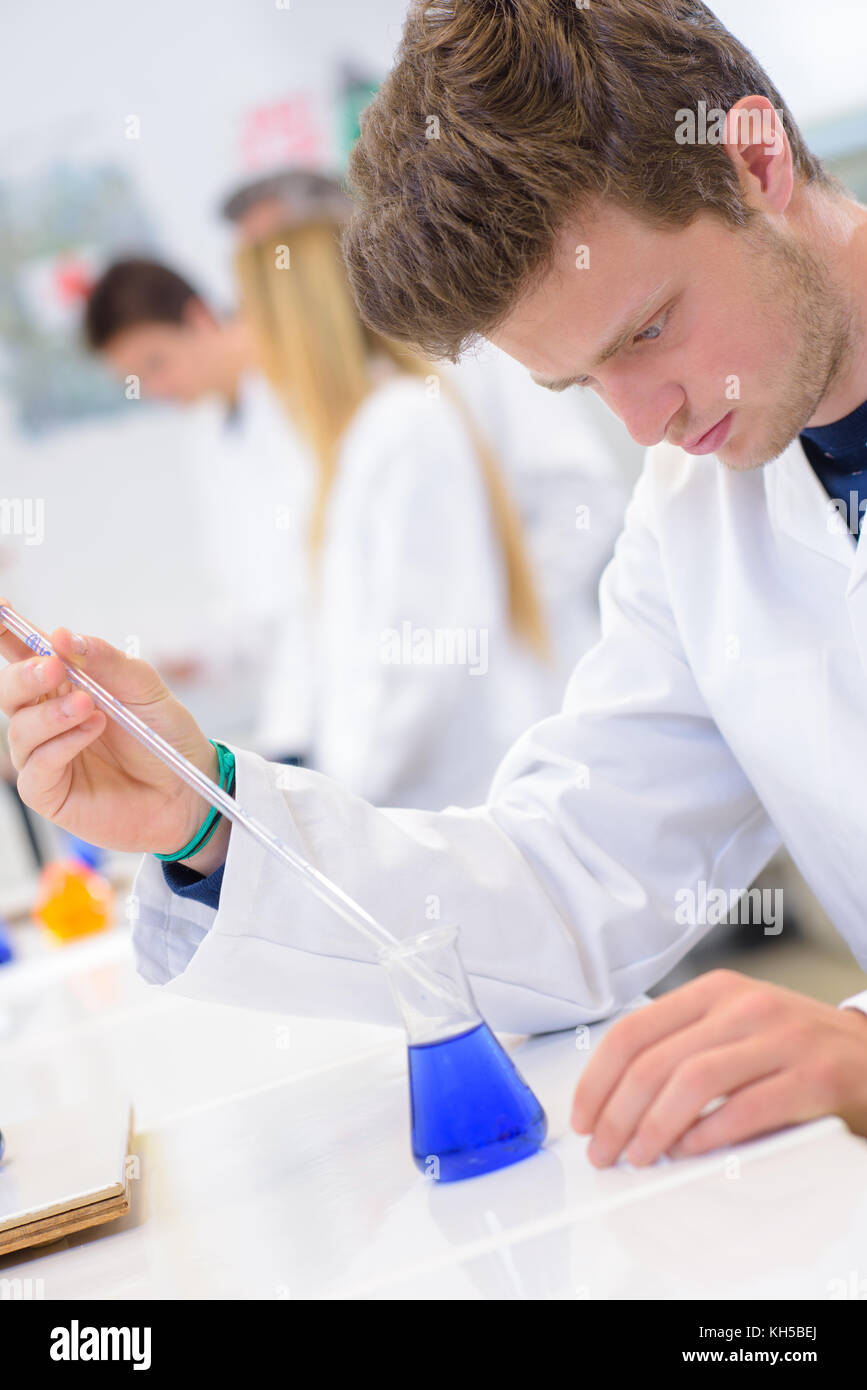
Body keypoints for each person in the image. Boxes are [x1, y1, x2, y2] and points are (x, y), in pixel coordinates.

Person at [4, 0, 867, 1171]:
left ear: (756, 158)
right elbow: (570, 879)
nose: (646, 421)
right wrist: (209, 817)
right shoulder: (697, 510)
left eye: (648, 329)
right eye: (580, 385)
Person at [224, 180, 556, 808]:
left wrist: (326, 808)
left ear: (294, 324)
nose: (242, 339)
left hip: (452, 793)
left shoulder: (403, 427)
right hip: (404, 799)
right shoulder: (358, 439)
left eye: (247, 315)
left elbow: (420, 656)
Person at [84, 258, 314, 764]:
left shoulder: (306, 388)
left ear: (200, 318)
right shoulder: (209, 432)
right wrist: (193, 656)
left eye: (155, 364)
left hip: (356, 704)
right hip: (298, 716)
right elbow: (254, 594)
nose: (155, 390)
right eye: (136, 380)